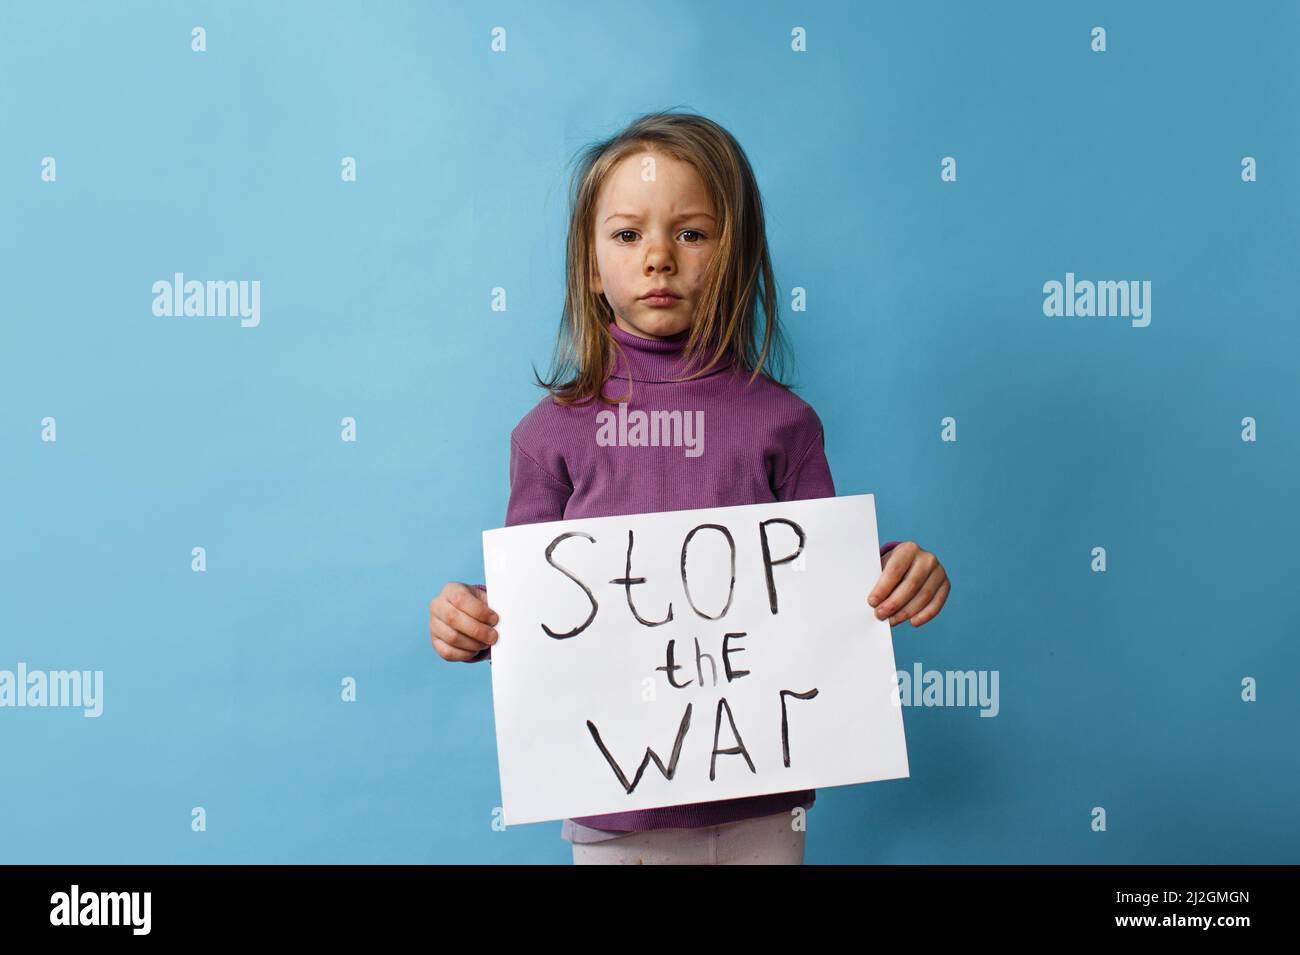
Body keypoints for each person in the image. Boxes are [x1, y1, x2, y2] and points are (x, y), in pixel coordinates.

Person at [429, 110, 951, 864]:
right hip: (616, 814)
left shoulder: (785, 425)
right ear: (587, 265)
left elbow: (822, 581)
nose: (659, 259)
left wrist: (898, 569)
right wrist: (471, 617)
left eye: (692, 233)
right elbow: (535, 608)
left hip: (764, 803)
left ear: (734, 255)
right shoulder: (547, 437)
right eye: (628, 234)